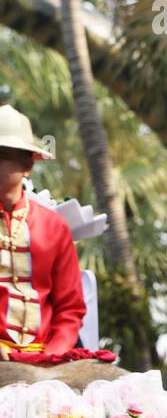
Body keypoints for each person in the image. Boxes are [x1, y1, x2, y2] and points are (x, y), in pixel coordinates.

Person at [0, 104, 86, 361]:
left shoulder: (54, 227)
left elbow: (70, 310)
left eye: (1, 154)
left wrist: (52, 359)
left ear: (28, 165)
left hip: (46, 361)